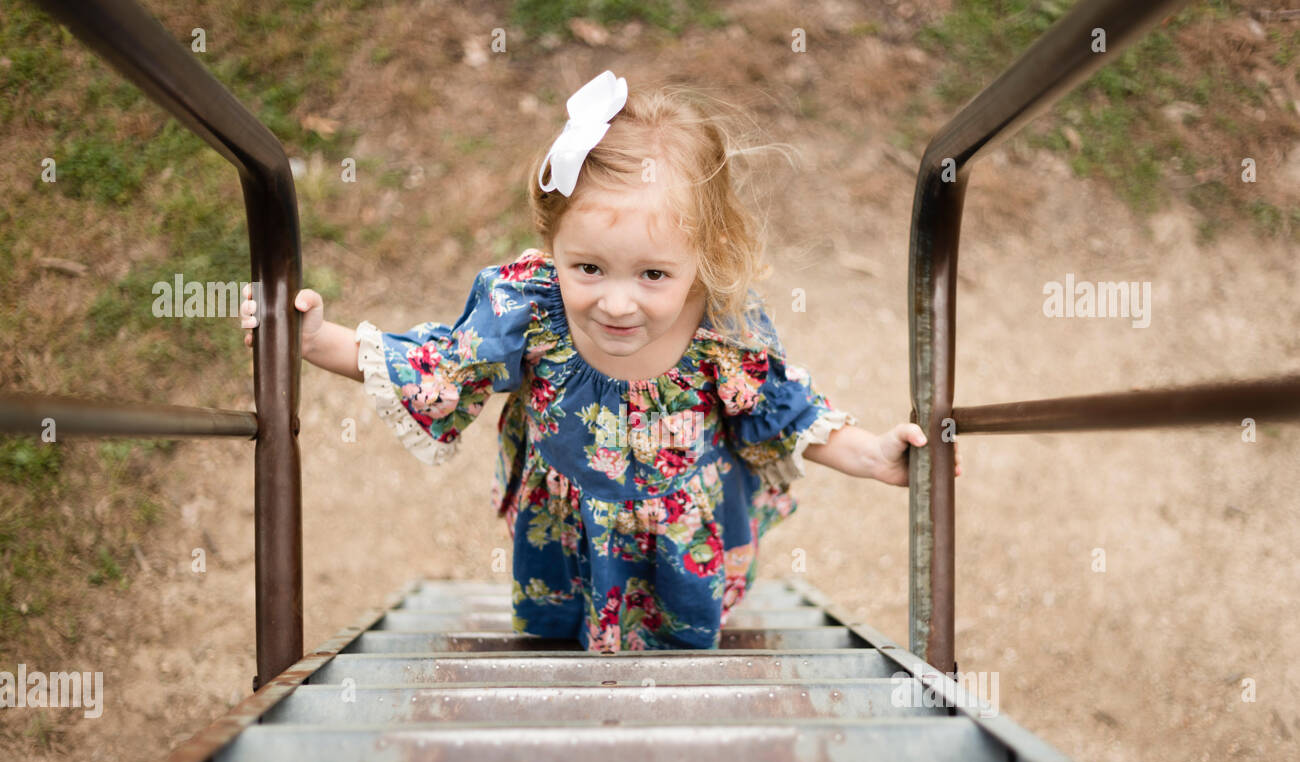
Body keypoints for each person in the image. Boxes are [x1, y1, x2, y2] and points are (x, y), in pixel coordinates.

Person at [238, 71, 962, 652]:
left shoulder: (723, 333)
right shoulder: (531, 311)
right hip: (569, 527)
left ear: (701, 258)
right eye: (588, 267)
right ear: (551, 246)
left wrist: (875, 457)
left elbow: (785, 409)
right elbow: (439, 366)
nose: (617, 304)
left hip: (684, 527)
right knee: (561, 632)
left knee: (684, 640)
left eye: (652, 276)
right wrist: (315, 342)